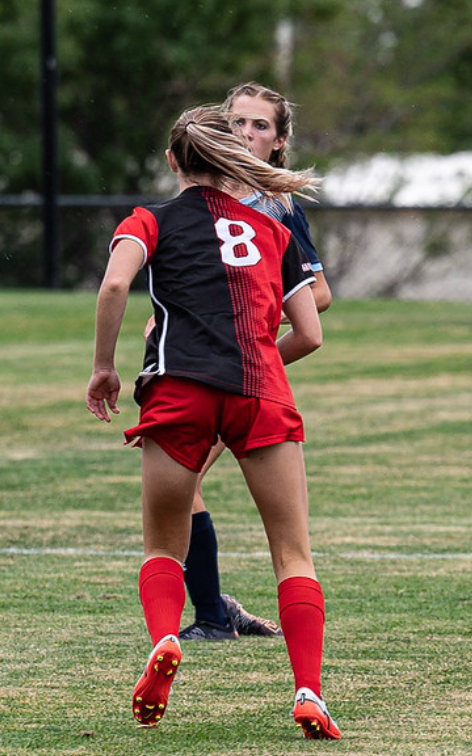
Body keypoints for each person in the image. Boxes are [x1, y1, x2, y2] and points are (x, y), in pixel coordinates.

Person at [86, 105, 342, 737]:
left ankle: (166, 638)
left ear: (173, 161)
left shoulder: (150, 219)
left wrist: (104, 369)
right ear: (231, 159)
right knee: (293, 554)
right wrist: (253, 356)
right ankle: (309, 691)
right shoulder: (271, 228)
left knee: (161, 545)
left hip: (180, 391)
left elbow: (115, 287)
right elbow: (310, 329)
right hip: (259, 390)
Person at [176, 82, 332, 642]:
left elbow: (317, 298)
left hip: (241, 375)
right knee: (182, 484)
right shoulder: (199, 197)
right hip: (199, 369)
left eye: (260, 125)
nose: (245, 133)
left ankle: (216, 616)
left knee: (184, 483)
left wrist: (253, 334)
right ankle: (216, 611)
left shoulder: (275, 205)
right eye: (236, 122)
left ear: (280, 142)